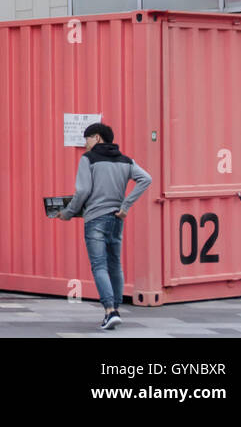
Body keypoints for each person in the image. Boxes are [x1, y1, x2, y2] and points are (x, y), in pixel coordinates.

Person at [59, 122, 152, 331]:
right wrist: (126, 205)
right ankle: (115, 308)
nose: (85, 144)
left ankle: (110, 311)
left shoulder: (88, 159)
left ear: (98, 138)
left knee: (99, 266)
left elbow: (82, 191)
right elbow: (146, 179)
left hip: (95, 219)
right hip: (116, 219)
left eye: (88, 139)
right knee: (114, 265)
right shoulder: (126, 160)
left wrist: (68, 213)